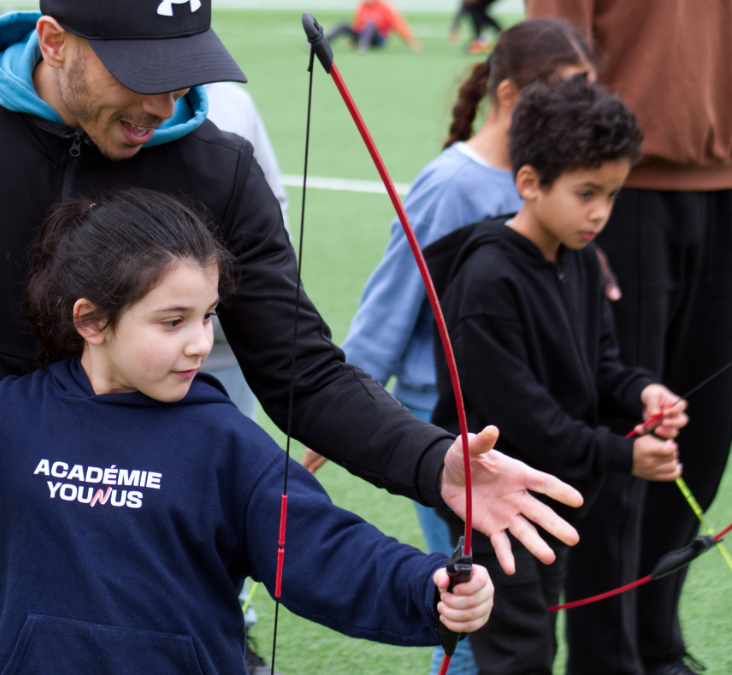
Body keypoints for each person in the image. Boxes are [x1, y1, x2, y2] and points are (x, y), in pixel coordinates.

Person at [0, 1, 585, 671]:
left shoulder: (218, 168)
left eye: (183, 66)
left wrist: (435, 462)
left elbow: (300, 369)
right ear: (54, 42)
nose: (164, 100)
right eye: (139, 71)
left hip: (130, 557)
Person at [0, 188, 496, 673]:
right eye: (172, 321)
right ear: (92, 320)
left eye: (208, 315)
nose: (199, 343)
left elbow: (324, 551)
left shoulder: (226, 444)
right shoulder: (2, 418)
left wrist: (428, 589)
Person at [304, 18, 595, 674]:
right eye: (569, 97)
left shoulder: (543, 181)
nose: (583, 115)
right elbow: (393, 296)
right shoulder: (452, 184)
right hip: (452, 432)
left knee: (509, 608)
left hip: (521, 428)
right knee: (471, 614)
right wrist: (344, 401)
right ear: (515, 97)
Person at [424, 78, 688, 675]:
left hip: (548, 499)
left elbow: (600, 367)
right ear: (530, 183)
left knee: (537, 645)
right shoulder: (489, 281)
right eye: (587, 192)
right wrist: (624, 458)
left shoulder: (577, 257)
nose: (600, 212)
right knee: (520, 656)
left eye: (614, 195)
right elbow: (529, 421)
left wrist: (642, 390)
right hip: (494, 505)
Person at [523, 4, 732, 674]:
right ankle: (606, 660)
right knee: (620, 443)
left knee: (699, 437)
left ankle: (655, 643)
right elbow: (552, 47)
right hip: (618, 188)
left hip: (724, 187)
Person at [203, 79, 290, 675]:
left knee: (220, 498)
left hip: (226, 359)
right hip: (99, 360)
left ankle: (232, 634)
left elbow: (271, 213)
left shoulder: (230, 102)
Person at [326, 0, 421, 53]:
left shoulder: (384, 7)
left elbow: (398, 24)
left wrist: (410, 41)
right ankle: (323, 43)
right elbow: (358, 25)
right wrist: (353, 40)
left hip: (378, 39)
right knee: (343, 24)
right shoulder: (362, 6)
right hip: (363, 34)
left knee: (371, 23)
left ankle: (362, 46)